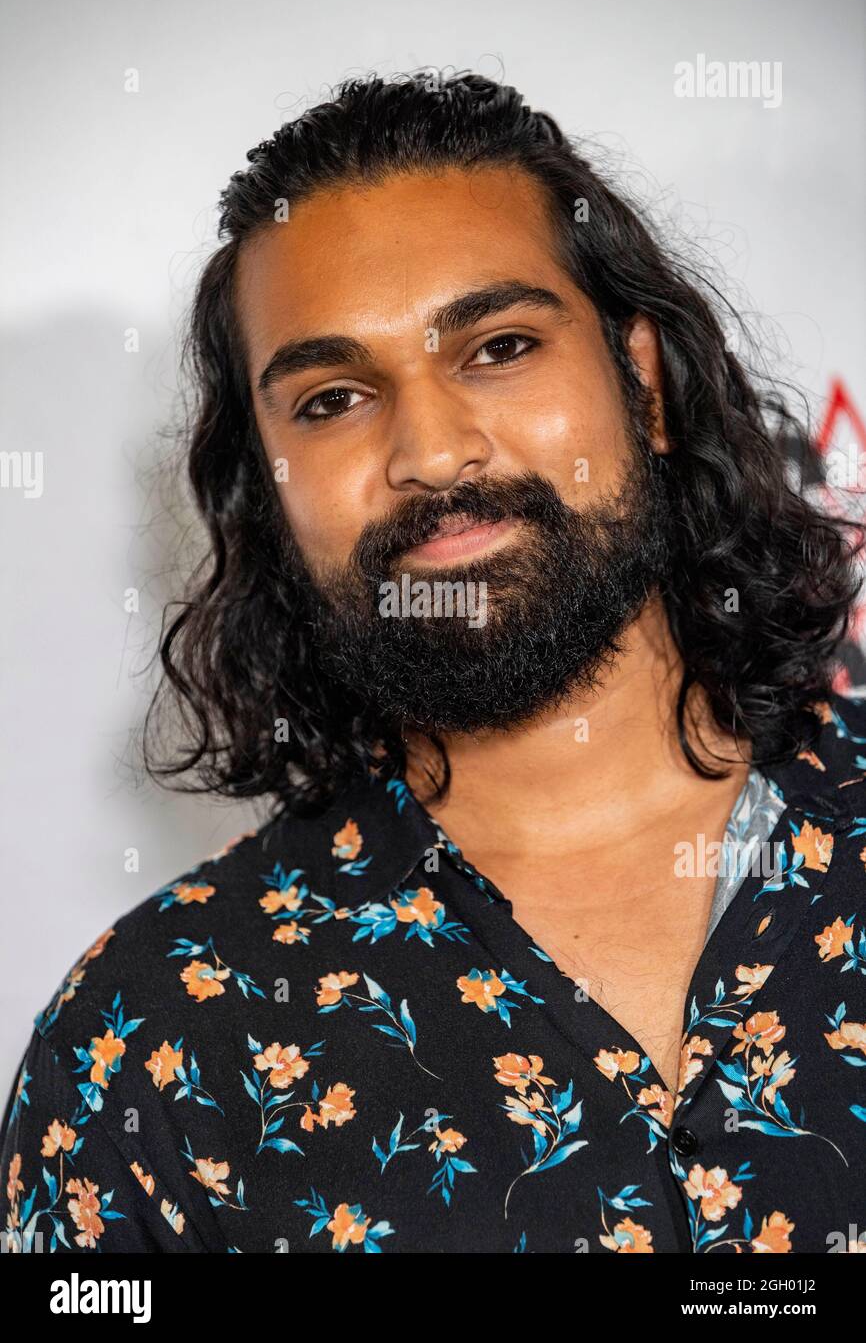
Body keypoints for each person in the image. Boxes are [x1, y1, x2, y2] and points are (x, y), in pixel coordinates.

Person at [3, 70, 864, 1255]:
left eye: (499, 345)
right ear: (266, 491)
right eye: (333, 397)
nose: (432, 450)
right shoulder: (146, 1042)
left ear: (643, 383)